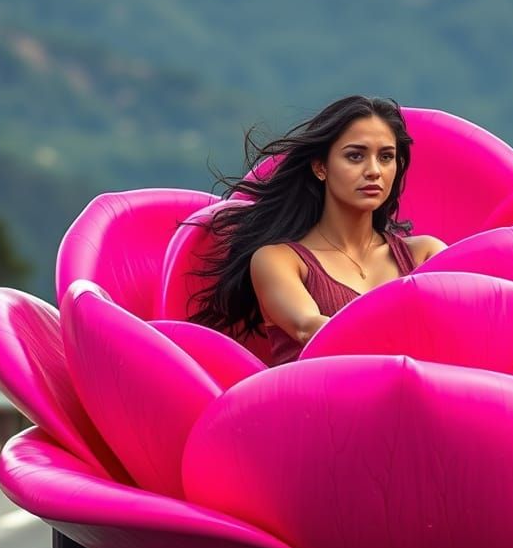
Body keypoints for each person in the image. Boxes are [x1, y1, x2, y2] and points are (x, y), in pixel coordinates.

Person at [188, 95, 446, 364]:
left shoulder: (425, 255)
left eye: (386, 157)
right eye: (355, 156)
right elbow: (306, 327)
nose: (373, 171)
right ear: (321, 167)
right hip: (315, 403)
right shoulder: (278, 259)